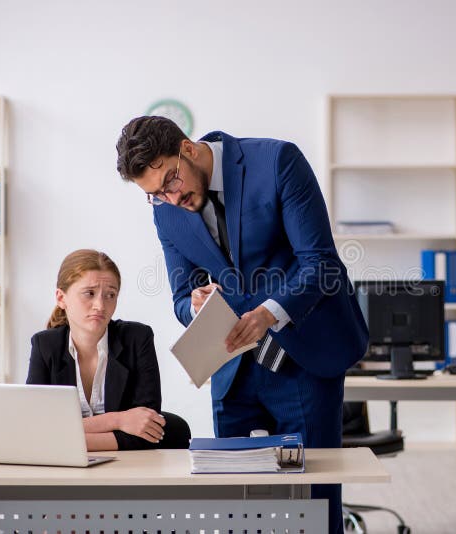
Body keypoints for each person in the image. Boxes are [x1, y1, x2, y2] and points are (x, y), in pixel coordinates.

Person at [115, 117, 368, 533]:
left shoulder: (276, 161)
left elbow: (320, 264)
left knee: (315, 506)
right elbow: (181, 296)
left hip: (301, 356)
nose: (169, 196)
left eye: (171, 181)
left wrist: (269, 312)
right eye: (155, 194)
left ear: (189, 149)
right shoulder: (166, 212)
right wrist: (194, 304)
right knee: (236, 510)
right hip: (231, 370)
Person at [27, 248, 190, 451]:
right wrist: (118, 420)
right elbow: (35, 428)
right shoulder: (45, 346)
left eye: (110, 295)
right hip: (63, 470)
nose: (100, 305)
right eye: (90, 293)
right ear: (61, 298)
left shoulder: (137, 339)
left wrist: (63, 440)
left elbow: (148, 429)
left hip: (128, 468)